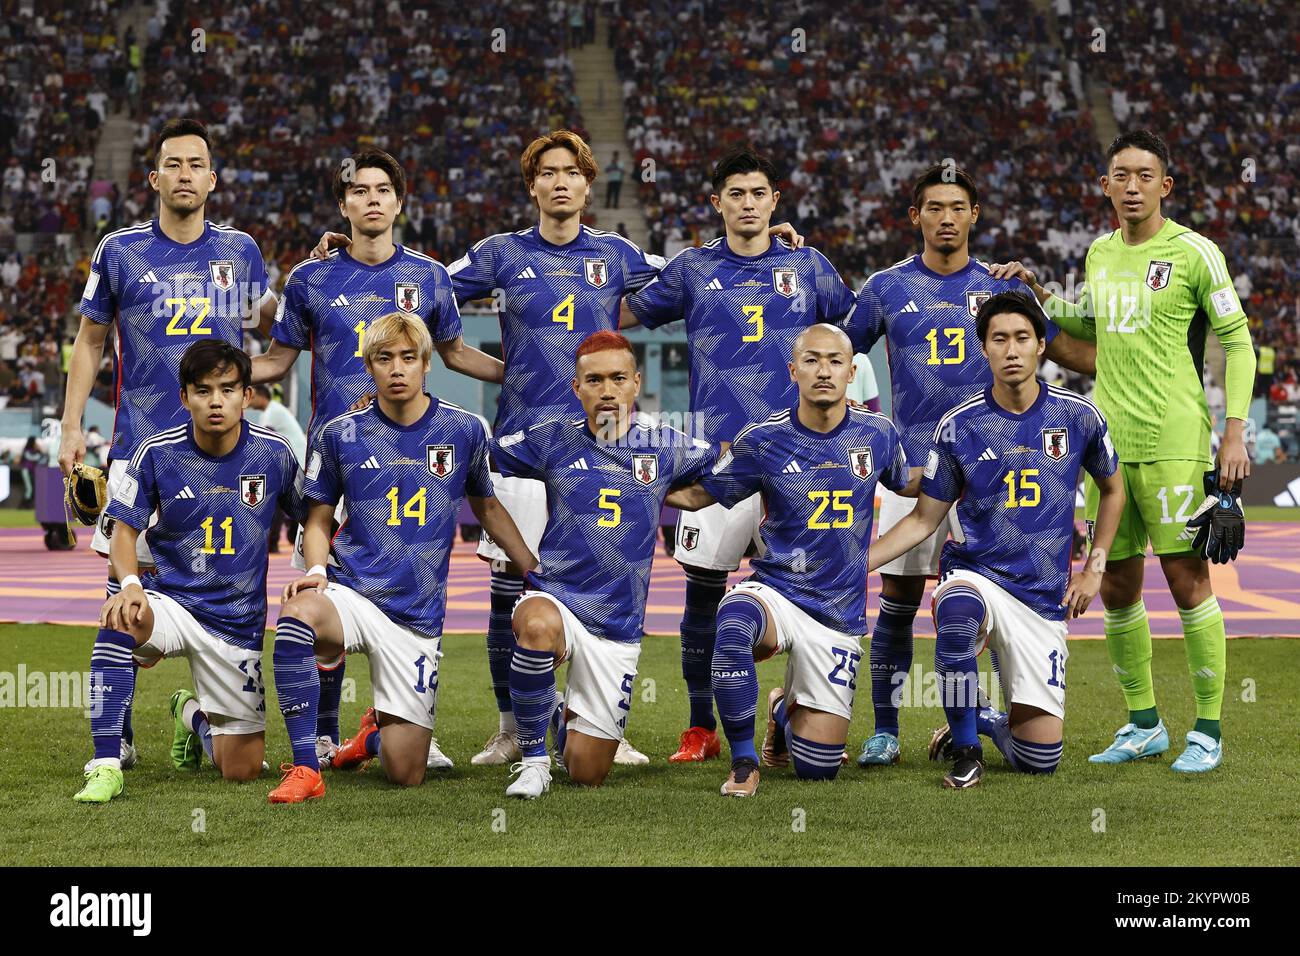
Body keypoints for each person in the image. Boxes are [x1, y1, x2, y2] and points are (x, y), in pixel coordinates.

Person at [994, 130, 1256, 772]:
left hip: (1175, 440)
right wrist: (1039, 297)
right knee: (1116, 583)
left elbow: (1239, 343)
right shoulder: (1100, 253)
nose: (1132, 185)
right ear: (1105, 185)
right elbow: (1091, 328)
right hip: (1107, 443)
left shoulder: (1196, 253)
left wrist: (1234, 431)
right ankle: (1144, 723)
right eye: (1121, 175)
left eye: (1145, 175)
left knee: (1187, 580)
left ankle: (1209, 730)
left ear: (1164, 186)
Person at [842, 162, 1097, 768]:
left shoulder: (1003, 288)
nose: (946, 218)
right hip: (911, 469)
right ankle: (885, 729)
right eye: (934, 208)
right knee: (899, 602)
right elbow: (837, 349)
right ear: (916, 217)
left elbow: (1072, 353)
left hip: (995, 472)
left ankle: (994, 718)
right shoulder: (885, 287)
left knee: (993, 599)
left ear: (974, 215)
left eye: (958, 207)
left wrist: (1048, 298)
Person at [257, 146, 501, 769]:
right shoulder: (310, 278)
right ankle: (322, 734)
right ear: (344, 205)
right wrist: (207, 371)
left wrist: (528, 379)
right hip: (334, 458)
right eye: (358, 190)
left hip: (410, 453)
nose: (371, 198)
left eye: (382, 189)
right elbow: (279, 361)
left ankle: (400, 716)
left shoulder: (430, 276)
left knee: (409, 578)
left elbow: (454, 355)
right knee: (324, 590)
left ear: (398, 201)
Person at [622, 146, 857, 763]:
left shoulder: (808, 266)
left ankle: (796, 708)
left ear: (775, 200)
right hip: (715, 459)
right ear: (716, 203)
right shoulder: (691, 269)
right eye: (736, 194)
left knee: (808, 588)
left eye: (759, 194)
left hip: (801, 459)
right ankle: (701, 726)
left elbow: (858, 328)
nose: (748, 204)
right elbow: (621, 312)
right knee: (702, 596)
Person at [58, 117, 278, 771]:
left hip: (223, 458)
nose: (185, 174)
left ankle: (201, 712)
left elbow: (269, 328)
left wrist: (319, 276)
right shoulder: (119, 251)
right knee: (124, 599)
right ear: (154, 178)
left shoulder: (239, 252)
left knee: (214, 593)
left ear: (213, 179)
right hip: (138, 450)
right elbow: (91, 341)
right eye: (173, 164)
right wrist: (71, 426)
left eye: (196, 164)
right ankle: (118, 738)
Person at [266, 312, 534, 803]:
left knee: (405, 771)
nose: (397, 369)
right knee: (298, 615)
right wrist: (317, 572)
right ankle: (305, 766)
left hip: (416, 616)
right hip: (351, 591)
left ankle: (371, 736)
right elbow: (319, 518)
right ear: (368, 366)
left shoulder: (465, 429)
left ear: (426, 364)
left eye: (408, 358)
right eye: (384, 358)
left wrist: (533, 571)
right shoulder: (340, 433)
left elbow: (488, 507)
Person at [867, 292, 1124, 788]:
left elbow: (1113, 489)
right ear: (983, 349)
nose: (1011, 349)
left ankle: (983, 719)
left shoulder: (1079, 416)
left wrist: (1095, 567)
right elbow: (923, 521)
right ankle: (967, 751)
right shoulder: (958, 426)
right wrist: (857, 561)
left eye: (1022, 338)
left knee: (1039, 760)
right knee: (958, 614)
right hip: (976, 575)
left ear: (1041, 347)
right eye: (999, 339)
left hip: (1041, 599)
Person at [667, 323, 910, 796]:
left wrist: (867, 559)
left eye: (835, 361)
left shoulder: (879, 435)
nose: (824, 371)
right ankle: (743, 762)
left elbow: (918, 501)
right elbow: (700, 495)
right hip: (778, 592)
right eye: (813, 361)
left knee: (818, 768)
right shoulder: (762, 439)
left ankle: (781, 710)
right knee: (733, 623)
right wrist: (632, 485)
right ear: (792, 370)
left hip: (837, 614)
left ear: (852, 371)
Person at [74, 341, 301, 803]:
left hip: (237, 625)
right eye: (202, 391)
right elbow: (122, 531)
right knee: (119, 615)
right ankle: (105, 763)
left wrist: (318, 570)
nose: (215, 401)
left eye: (227, 389)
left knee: (241, 769)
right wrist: (132, 585)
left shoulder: (275, 454)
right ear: (184, 397)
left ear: (247, 395)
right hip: (172, 602)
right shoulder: (156, 452)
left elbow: (313, 516)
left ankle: (191, 714)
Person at [495, 330, 717, 799]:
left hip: (616, 627)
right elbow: (476, 456)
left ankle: (556, 715)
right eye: (594, 380)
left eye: (618, 378)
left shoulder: (669, 444)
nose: (608, 390)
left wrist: (663, 490)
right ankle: (534, 762)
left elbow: (726, 471)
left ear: (636, 383)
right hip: (556, 599)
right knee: (535, 623)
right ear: (577, 389)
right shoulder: (552, 438)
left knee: (587, 773)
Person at [248, 385, 306, 553]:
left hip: (296, 462)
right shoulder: (272, 410)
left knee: (276, 504)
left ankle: (272, 543)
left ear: (260, 395)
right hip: (297, 461)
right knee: (296, 504)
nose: (249, 400)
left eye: (252, 396)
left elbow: (263, 445)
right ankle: (290, 536)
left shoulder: (272, 412)